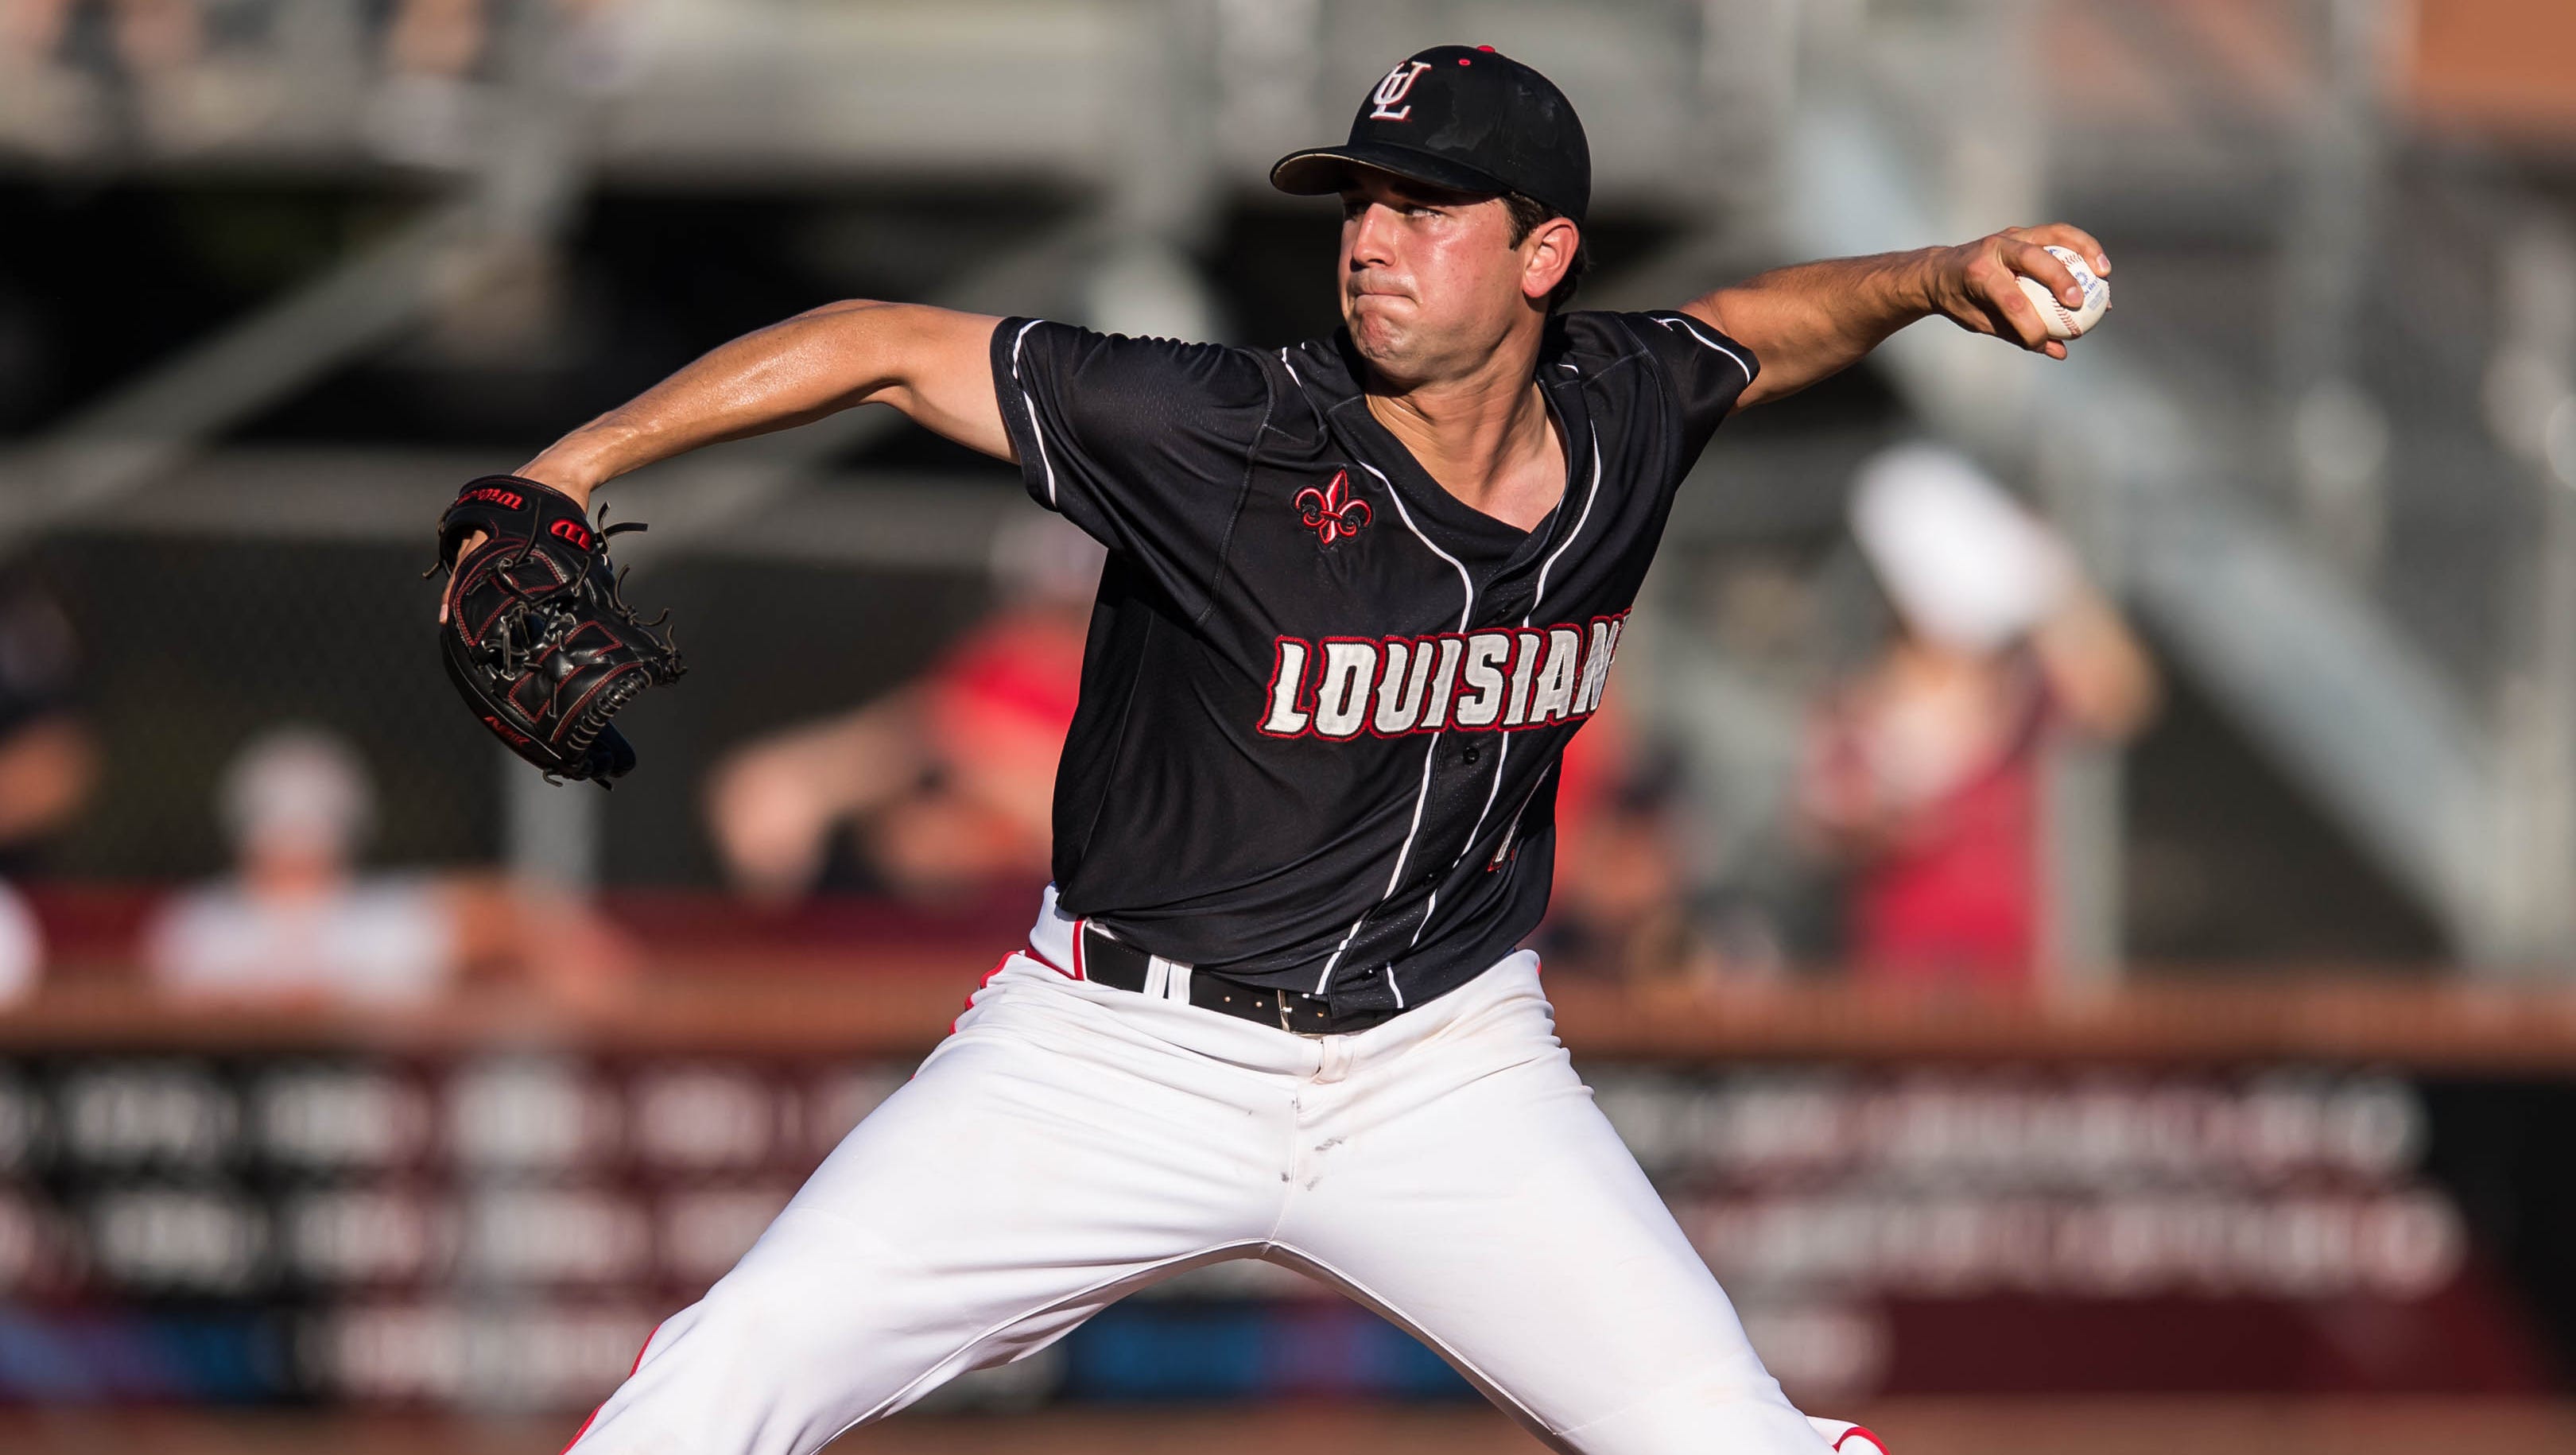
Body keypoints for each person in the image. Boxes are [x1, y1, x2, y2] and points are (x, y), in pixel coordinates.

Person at [488, 45, 2106, 1455]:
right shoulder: (1220, 433)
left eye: (1427, 209)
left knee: (1730, 1440)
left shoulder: (1624, 409)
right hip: (1117, 1054)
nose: (1374, 244)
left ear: (1546, 254)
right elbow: (880, 342)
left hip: (1443, 1064)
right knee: (720, 1389)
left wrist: (1935, 275)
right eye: (1359, 203)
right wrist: (572, 467)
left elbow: (1754, 327)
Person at [1799, 445, 2158, 987]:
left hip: (2009, 1000)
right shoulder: (1856, 712)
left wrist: (2048, 584)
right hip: (1899, 999)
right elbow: (1815, 830)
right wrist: (1871, 829)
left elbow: (2123, 698)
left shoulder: (2016, 698)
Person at [704, 515, 1098, 905]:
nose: (1053, 630)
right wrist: (803, 782)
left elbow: (1077, 825)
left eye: (1078, 613)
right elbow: (917, 739)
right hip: (951, 928)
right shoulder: (990, 671)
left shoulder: (1124, 698)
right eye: (1044, 607)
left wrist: (982, 766)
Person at [145, 724, 632, 1009]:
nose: (294, 862)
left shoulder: (371, 918)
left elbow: (512, 913)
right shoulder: (201, 925)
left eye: (306, 847)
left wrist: (574, 950)